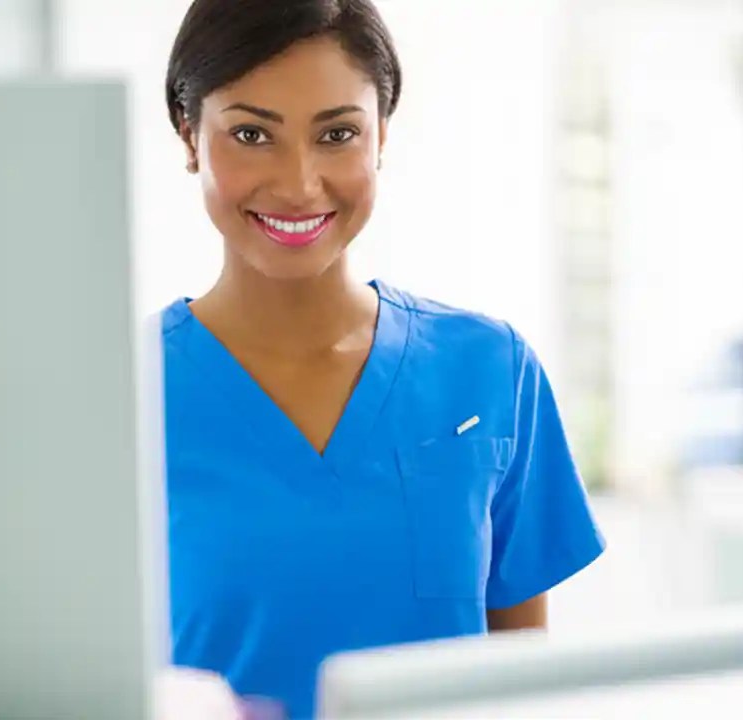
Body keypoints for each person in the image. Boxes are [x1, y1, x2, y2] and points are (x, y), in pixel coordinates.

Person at [160, 1, 606, 716]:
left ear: (381, 139)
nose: (300, 184)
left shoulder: (490, 370)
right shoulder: (125, 397)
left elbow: (522, 688)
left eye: (337, 133)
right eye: (251, 134)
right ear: (189, 136)